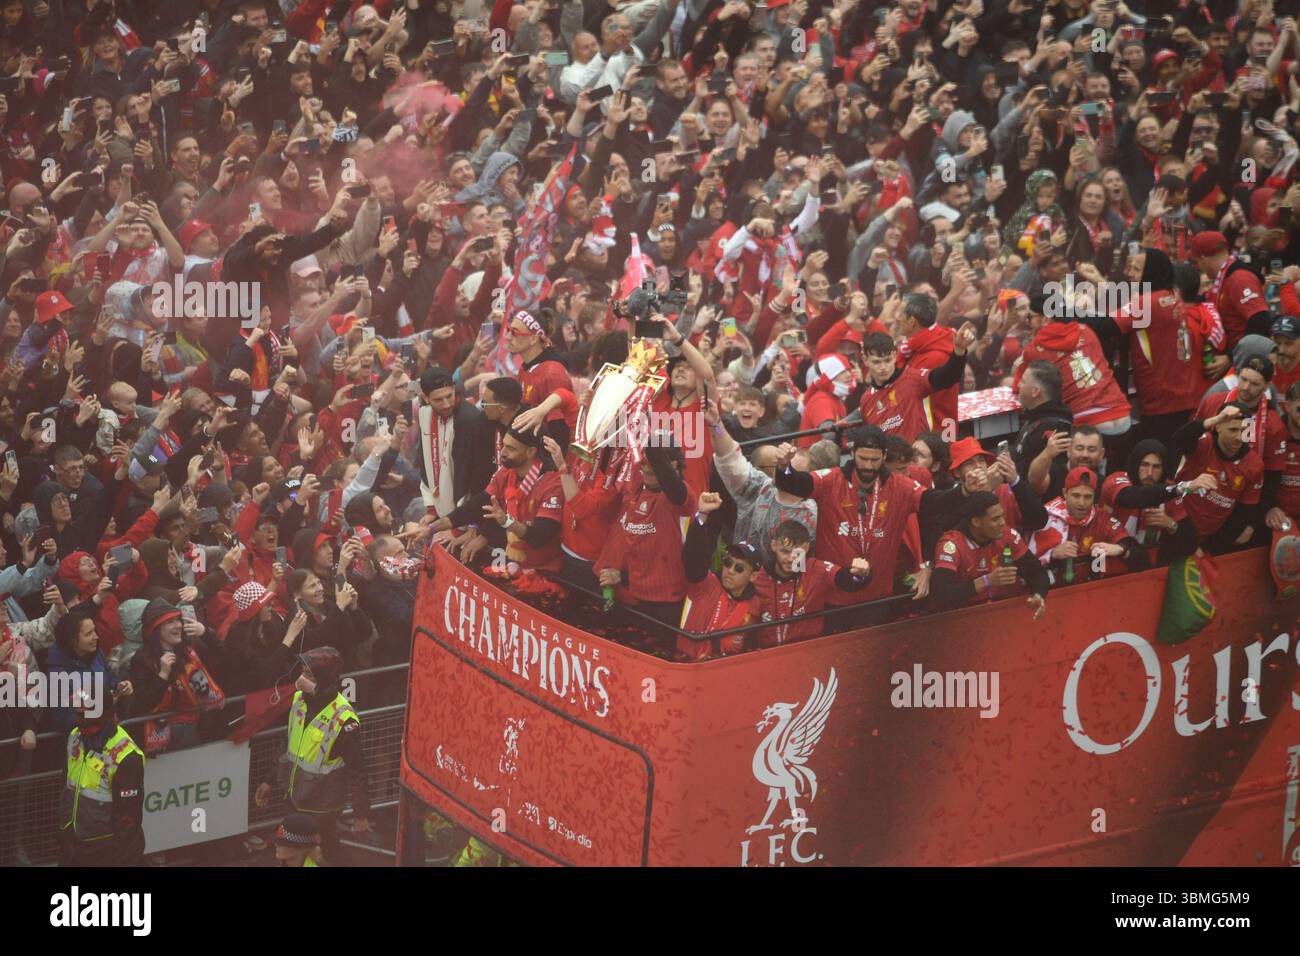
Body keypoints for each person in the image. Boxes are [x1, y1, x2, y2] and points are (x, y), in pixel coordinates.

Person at [774, 424, 929, 614]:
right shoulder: (830, 480)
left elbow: (936, 508)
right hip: (833, 600)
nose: (869, 466)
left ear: (884, 455)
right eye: (863, 458)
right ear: (853, 452)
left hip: (879, 599)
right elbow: (791, 482)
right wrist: (784, 467)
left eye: (875, 460)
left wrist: (928, 565)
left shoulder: (901, 486)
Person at [255, 647, 370, 865]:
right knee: (290, 853)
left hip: (322, 808)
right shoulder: (299, 699)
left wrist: (361, 814)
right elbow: (288, 746)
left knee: (325, 854)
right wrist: (270, 780)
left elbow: (358, 769)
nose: (301, 679)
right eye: (302, 672)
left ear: (325, 679)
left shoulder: (344, 719)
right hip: (294, 797)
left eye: (309, 675)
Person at [58, 690, 145, 867]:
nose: (77, 719)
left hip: (105, 850)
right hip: (71, 842)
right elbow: (66, 782)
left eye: (83, 714)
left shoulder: (127, 757)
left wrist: (122, 860)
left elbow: (128, 820)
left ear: (102, 715)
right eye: (77, 712)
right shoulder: (74, 737)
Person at [751, 520, 871, 647]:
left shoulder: (815, 569)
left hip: (808, 653)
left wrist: (860, 574)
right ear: (774, 545)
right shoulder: (758, 576)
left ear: (806, 548)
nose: (791, 559)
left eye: (797, 553)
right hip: (767, 656)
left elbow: (845, 579)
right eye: (785, 551)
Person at [931, 491, 1049, 618]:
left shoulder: (1006, 534)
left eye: (1002, 516)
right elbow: (941, 596)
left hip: (1000, 612)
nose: (1002, 523)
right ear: (976, 522)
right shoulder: (951, 545)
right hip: (961, 618)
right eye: (995, 519)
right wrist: (987, 581)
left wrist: (1039, 594)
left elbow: (1037, 572)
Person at [676, 491, 759, 662]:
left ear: (753, 576)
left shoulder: (756, 606)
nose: (730, 570)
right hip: (686, 666)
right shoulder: (707, 584)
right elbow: (693, 556)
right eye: (728, 562)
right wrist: (702, 516)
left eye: (740, 567)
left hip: (724, 674)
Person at [1173, 403, 1267, 552]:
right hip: (1175, 526)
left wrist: (1210, 548)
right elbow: (1177, 439)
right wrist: (1213, 420)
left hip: (1210, 540)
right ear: (1218, 427)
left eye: (1244, 431)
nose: (1239, 437)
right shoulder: (1203, 442)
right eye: (1233, 430)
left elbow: (1244, 512)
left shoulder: (1254, 465)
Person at [1030, 467, 1149, 584]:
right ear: (1065, 493)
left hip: (1091, 591)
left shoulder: (1102, 518)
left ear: (1094, 497)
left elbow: (1143, 560)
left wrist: (1121, 549)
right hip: (1053, 593)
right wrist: (1051, 554)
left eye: (1087, 497)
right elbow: (1024, 564)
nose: (1081, 503)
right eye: (1076, 496)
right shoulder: (1045, 517)